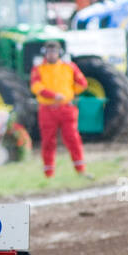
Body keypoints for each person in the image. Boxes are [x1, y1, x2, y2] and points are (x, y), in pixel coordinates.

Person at [29, 32, 91, 179]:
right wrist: (53, 96)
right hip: (47, 109)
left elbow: (82, 83)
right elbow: (36, 87)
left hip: (66, 108)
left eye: (54, 52)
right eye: (49, 52)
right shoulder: (38, 69)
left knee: (73, 139)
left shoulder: (69, 67)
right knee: (48, 142)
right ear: (45, 53)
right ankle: (48, 173)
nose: (52, 55)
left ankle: (80, 169)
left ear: (59, 53)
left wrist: (70, 94)